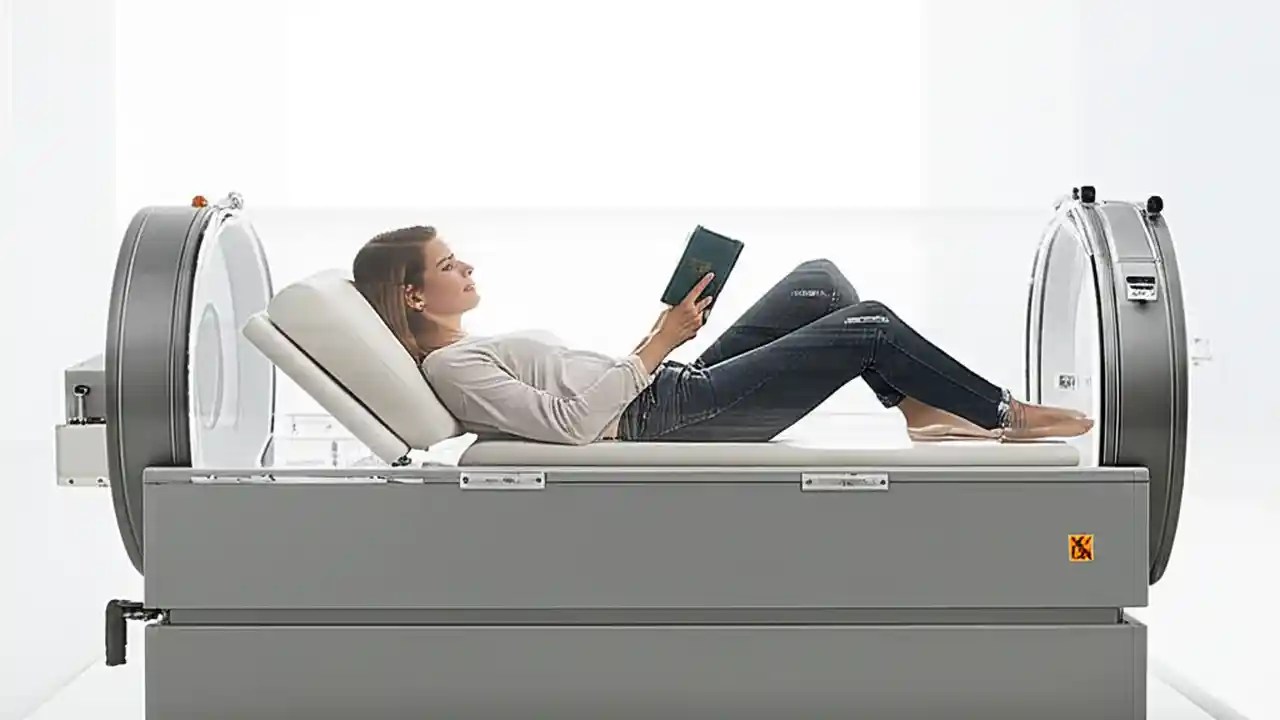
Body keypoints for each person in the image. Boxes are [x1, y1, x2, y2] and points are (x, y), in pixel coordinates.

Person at [352, 225, 1093, 446]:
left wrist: (662, 333)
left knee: (820, 280)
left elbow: (580, 391)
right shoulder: (452, 369)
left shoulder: (469, 348)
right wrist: (658, 345)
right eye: (450, 265)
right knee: (868, 325)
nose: (468, 265)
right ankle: (1000, 412)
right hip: (664, 416)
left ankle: (918, 408)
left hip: (664, 389)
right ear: (414, 295)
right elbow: (573, 424)